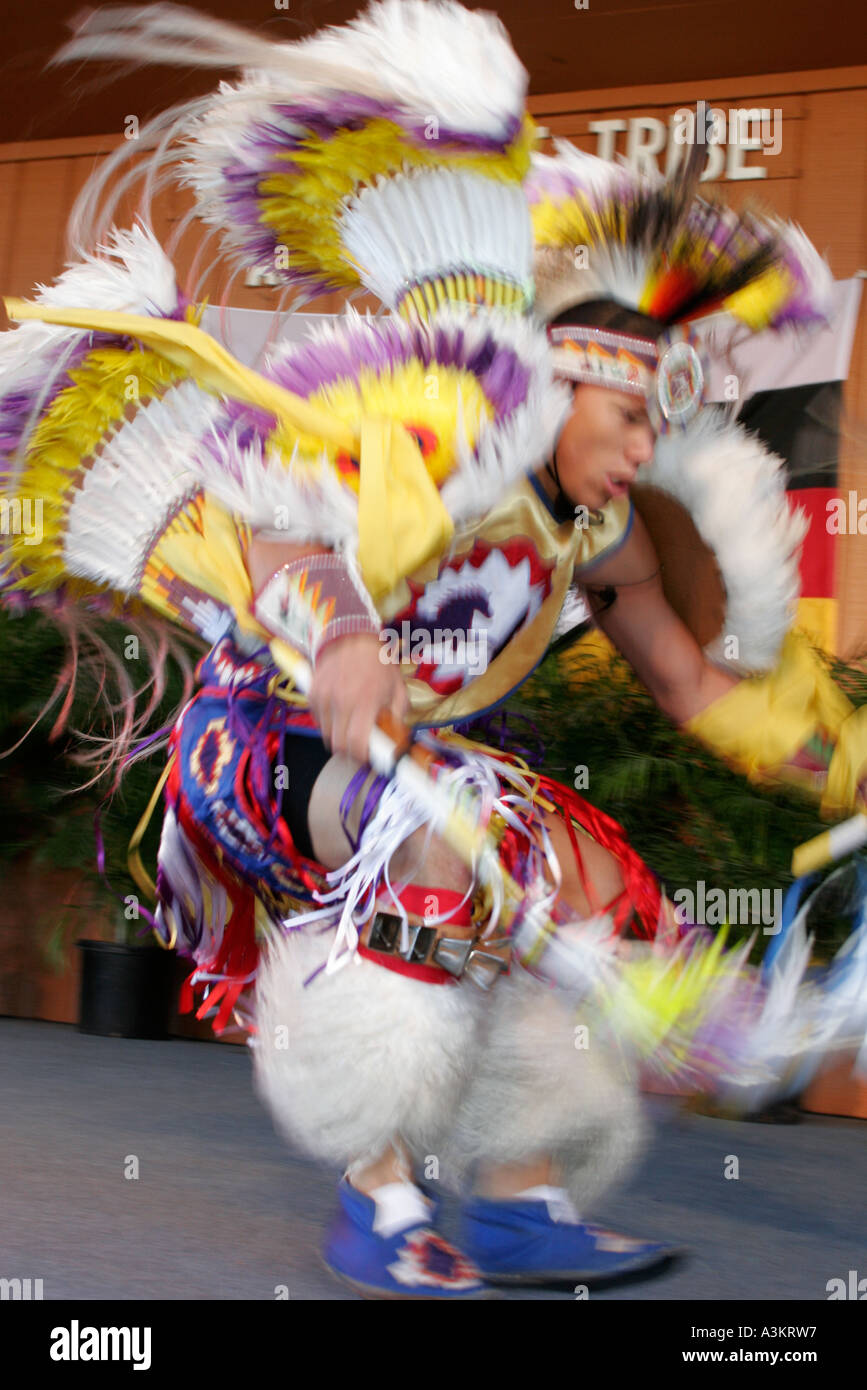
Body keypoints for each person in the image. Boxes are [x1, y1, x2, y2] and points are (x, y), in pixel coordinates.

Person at [3, 1, 864, 1300]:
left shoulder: (609, 537)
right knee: (457, 835)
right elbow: (287, 535)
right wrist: (343, 634)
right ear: (558, 386)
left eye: (659, 416)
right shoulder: (438, 454)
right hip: (266, 738)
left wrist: (839, 758)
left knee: (575, 874)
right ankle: (383, 1195)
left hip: (426, 752)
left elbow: (693, 683)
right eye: (627, 413)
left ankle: (520, 1198)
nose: (643, 446)